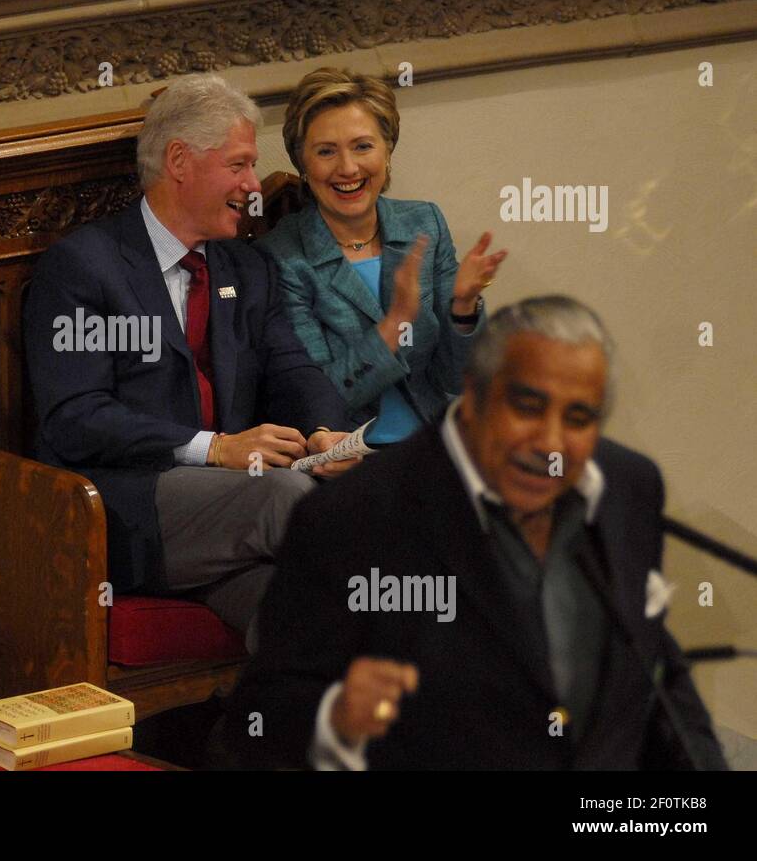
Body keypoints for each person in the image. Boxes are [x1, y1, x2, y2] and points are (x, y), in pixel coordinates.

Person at [219, 296, 727, 769]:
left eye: (578, 418)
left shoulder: (628, 487)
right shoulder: (354, 518)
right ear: (476, 394)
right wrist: (337, 721)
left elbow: (656, 667)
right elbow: (256, 726)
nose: (550, 443)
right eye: (527, 407)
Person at [23, 74, 356, 649]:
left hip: (228, 522)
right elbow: (75, 417)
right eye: (239, 165)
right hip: (124, 512)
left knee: (310, 623)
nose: (254, 185)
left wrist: (325, 434)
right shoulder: (84, 269)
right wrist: (216, 449)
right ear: (179, 160)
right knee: (284, 496)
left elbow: (296, 372)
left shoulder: (245, 269)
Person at [257, 67, 507, 443]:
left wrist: (463, 307)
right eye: (326, 151)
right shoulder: (281, 257)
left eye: (362, 146)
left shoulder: (425, 224)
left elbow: (458, 379)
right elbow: (321, 398)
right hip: (352, 459)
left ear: (387, 150)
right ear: (303, 164)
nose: (347, 168)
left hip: (438, 443)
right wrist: (393, 325)